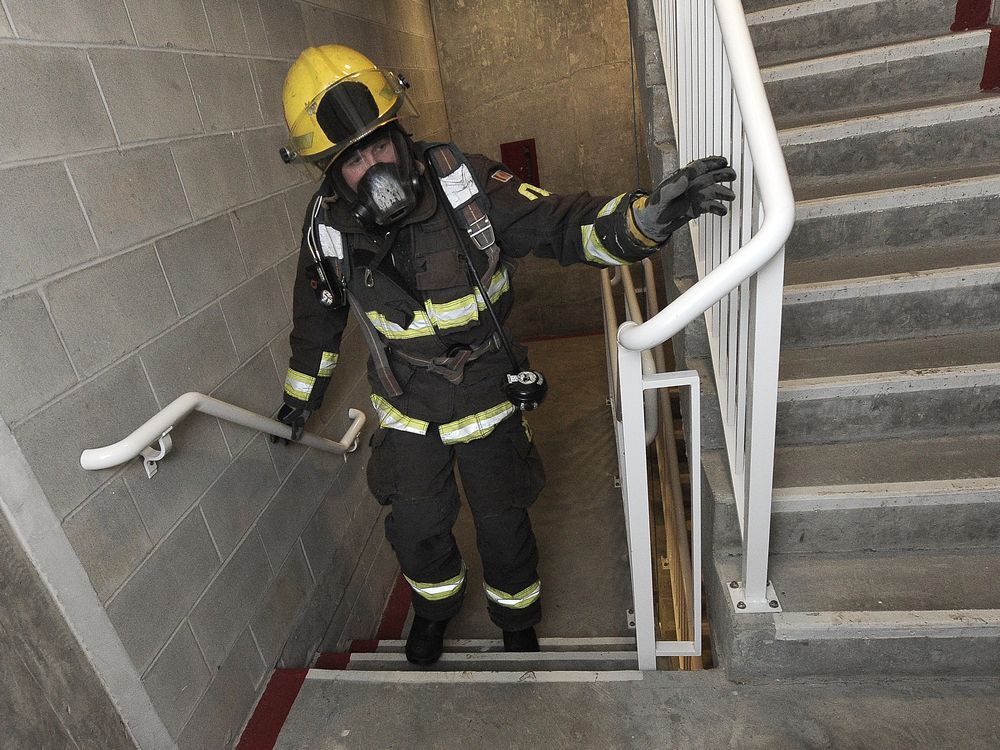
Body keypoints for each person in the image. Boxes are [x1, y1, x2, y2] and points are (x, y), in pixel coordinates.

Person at [274, 44, 735, 666]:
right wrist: (300, 397)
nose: (375, 165)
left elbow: (558, 224)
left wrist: (642, 221)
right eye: (354, 159)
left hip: (487, 390)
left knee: (503, 520)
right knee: (416, 529)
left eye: (380, 144)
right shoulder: (325, 227)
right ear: (330, 172)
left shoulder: (463, 185)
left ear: (399, 133)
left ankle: (517, 617)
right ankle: (434, 612)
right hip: (406, 400)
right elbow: (317, 316)